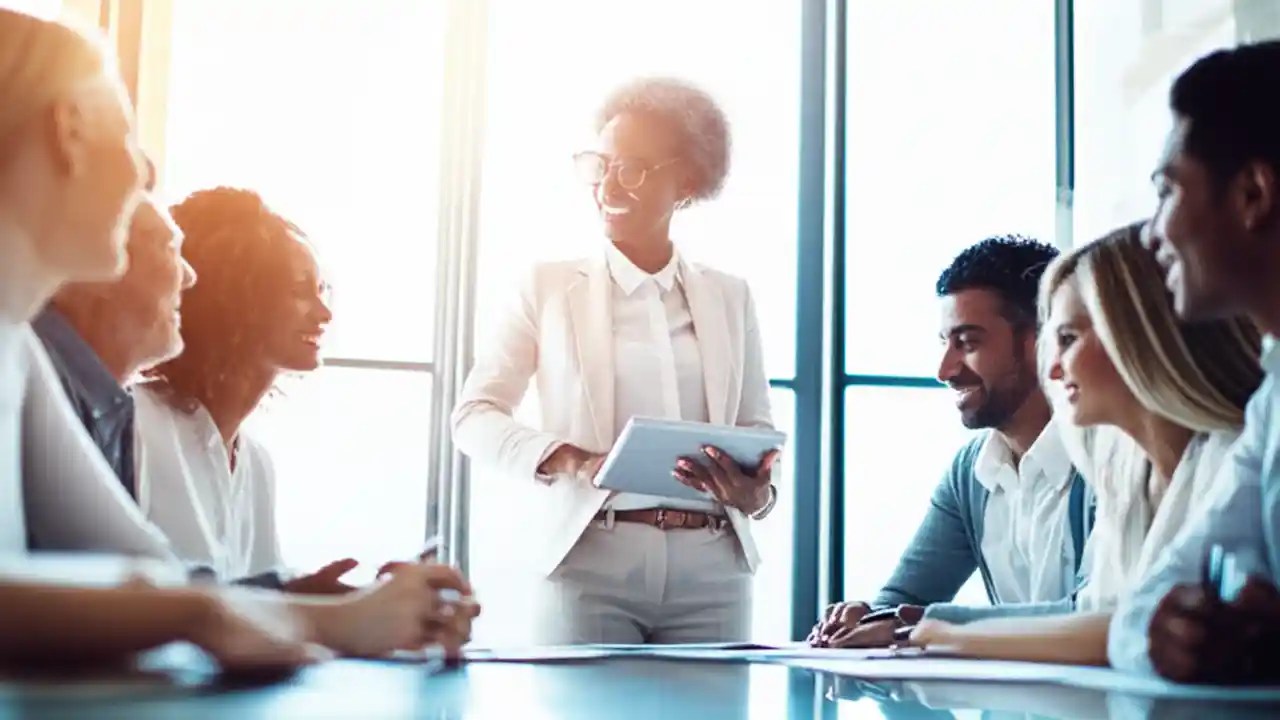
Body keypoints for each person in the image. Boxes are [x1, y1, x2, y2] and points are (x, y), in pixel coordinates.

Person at [0, 8, 311, 670]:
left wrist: (328, 615)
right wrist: (210, 614)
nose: (142, 172)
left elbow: (139, 565)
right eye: (127, 129)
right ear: (69, 130)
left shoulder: (17, 349)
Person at [452, 77, 778, 644]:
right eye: (600, 165)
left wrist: (759, 494)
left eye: (634, 168)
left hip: (714, 572)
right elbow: (474, 416)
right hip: (590, 564)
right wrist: (569, 460)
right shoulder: (548, 288)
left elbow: (754, 427)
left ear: (688, 180)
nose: (608, 184)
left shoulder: (730, 296)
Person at [905, 223, 1261, 665]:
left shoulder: (1236, 462)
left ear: (1135, 335)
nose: (1051, 369)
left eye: (1067, 340)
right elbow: (1119, 621)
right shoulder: (1122, 476)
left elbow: (1128, 625)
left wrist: (940, 632)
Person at [811, 236, 1093, 648]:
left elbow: (1092, 615)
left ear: (1041, 343)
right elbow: (908, 601)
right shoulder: (970, 474)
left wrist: (921, 625)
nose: (945, 369)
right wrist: (870, 616)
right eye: (945, 343)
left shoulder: (1106, 458)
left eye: (968, 343)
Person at [1108, 40, 1280, 684]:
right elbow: (1138, 612)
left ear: (1254, 193)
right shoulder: (1270, 408)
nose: (1152, 231)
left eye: (1166, 190)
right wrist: (1167, 631)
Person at [32, 159, 192, 501]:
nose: (190, 277)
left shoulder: (107, 402)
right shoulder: (32, 388)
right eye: (169, 248)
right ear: (101, 266)